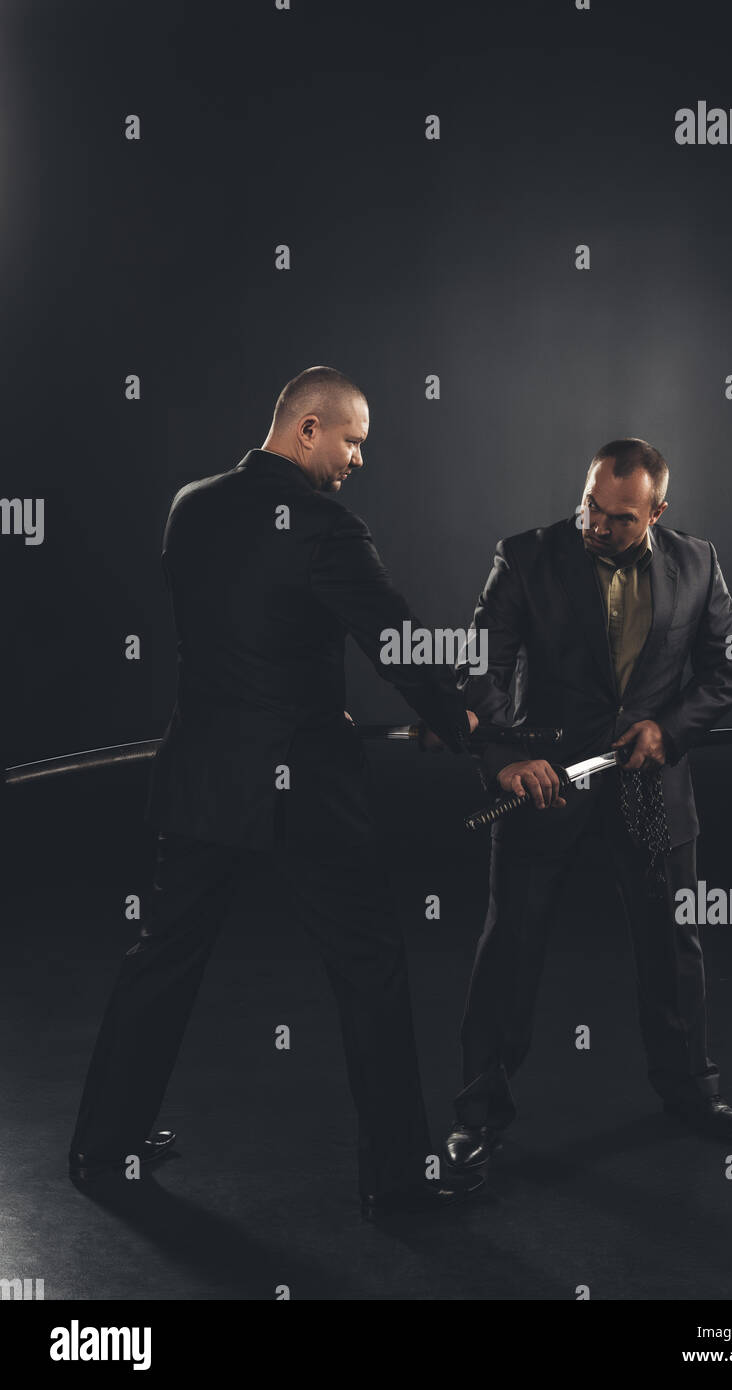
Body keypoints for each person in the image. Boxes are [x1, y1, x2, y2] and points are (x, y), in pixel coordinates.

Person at [68, 365, 483, 1217]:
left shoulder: (191, 505)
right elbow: (396, 640)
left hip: (201, 773)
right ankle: (399, 1180)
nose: (357, 459)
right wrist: (462, 724)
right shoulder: (324, 526)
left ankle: (101, 1146)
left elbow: (230, 629)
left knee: (161, 959)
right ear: (307, 430)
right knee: (368, 967)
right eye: (351, 441)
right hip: (302, 783)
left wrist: (288, 689)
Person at [444, 438, 732, 1174]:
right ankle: (479, 1112)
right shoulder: (526, 556)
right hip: (546, 783)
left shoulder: (697, 562)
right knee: (510, 947)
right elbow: (475, 666)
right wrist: (507, 758)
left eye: (618, 517)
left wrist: (669, 728)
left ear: (656, 510)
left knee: (672, 946)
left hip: (649, 787)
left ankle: (688, 1092)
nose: (595, 524)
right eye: (589, 504)